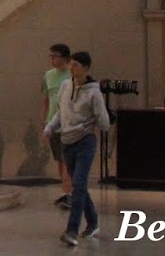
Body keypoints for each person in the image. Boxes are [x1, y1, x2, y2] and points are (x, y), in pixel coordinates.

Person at [46, 49, 109, 247]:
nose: (72, 68)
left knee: (79, 185)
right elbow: (59, 112)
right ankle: (93, 222)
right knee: (79, 185)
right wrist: (50, 127)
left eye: (76, 65)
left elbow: (105, 123)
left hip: (85, 142)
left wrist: (90, 123)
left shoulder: (94, 93)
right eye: (71, 64)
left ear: (86, 68)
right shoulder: (65, 86)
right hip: (67, 142)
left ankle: (71, 230)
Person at [41, 44, 73, 207]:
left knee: (67, 160)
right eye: (50, 56)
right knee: (60, 160)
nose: (52, 59)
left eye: (55, 55)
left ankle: (69, 193)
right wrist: (46, 121)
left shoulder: (72, 75)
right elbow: (47, 99)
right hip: (53, 124)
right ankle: (66, 192)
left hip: (68, 124)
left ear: (65, 58)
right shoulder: (48, 76)